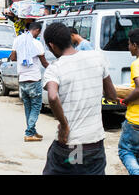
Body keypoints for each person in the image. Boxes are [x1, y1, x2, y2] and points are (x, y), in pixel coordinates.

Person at [42, 23, 117, 175]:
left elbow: (52, 95)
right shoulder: (97, 57)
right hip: (94, 145)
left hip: (72, 146)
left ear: (52, 46)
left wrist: (64, 125)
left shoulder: (55, 68)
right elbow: (112, 95)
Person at [118, 28, 139, 175]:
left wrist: (125, 100)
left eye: (129, 44)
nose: (128, 47)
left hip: (138, 119)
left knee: (125, 150)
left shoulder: (138, 64)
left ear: (135, 45)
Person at [10, 22, 49, 142]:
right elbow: (43, 62)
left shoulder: (18, 40)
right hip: (34, 79)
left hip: (22, 79)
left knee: (28, 107)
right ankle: (29, 133)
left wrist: (23, 57)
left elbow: (13, 57)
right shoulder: (36, 43)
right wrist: (53, 68)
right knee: (36, 107)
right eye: (39, 32)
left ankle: (32, 130)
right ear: (36, 30)